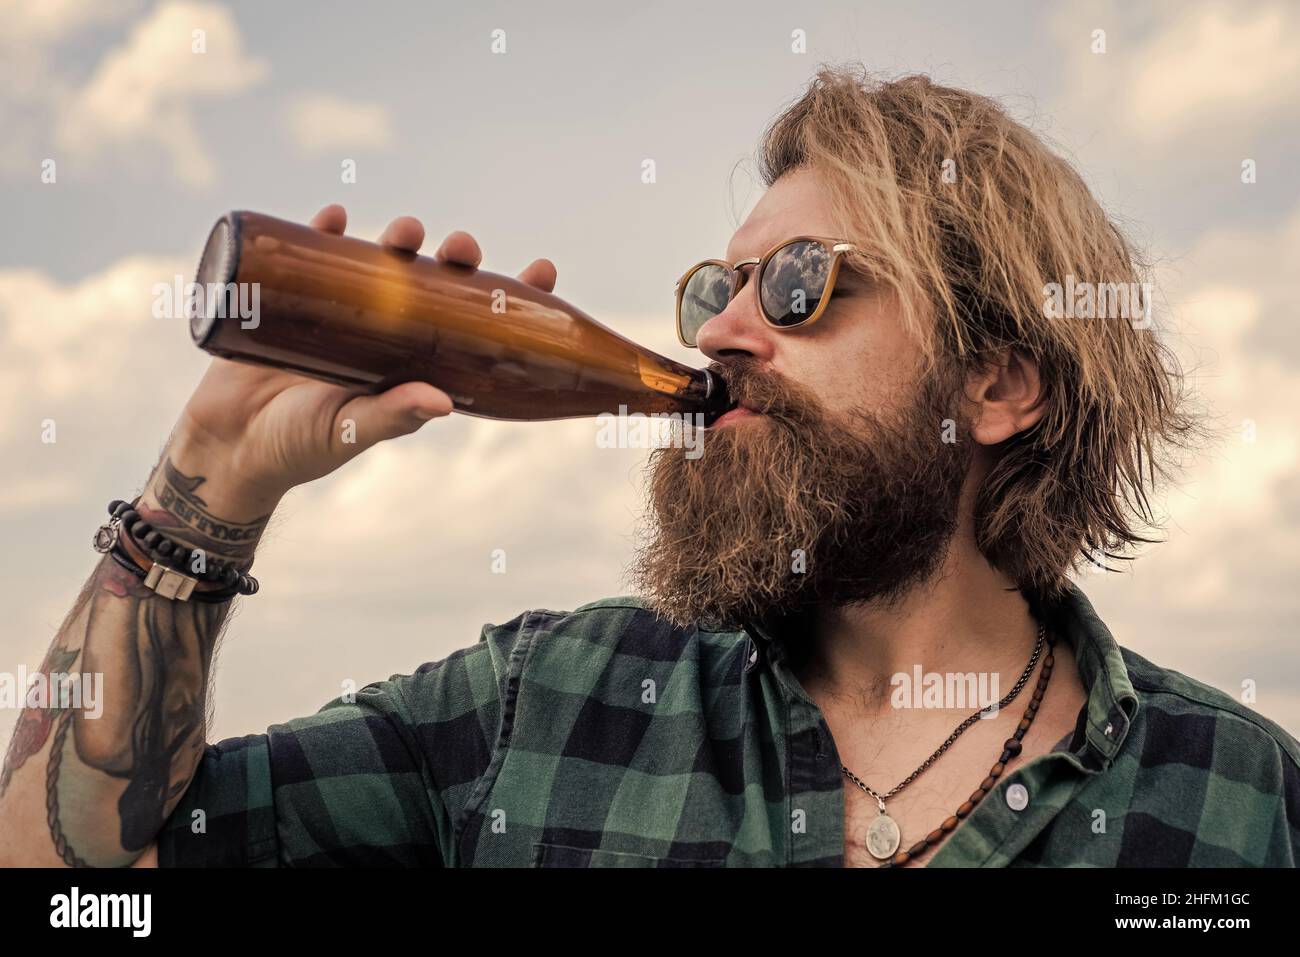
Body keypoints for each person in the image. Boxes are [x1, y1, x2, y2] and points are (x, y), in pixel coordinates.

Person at [2, 66, 1297, 868]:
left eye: (800, 284)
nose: (725, 328)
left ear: (1000, 381)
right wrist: (216, 478)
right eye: (712, 288)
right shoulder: (538, 705)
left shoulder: (1232, 793)